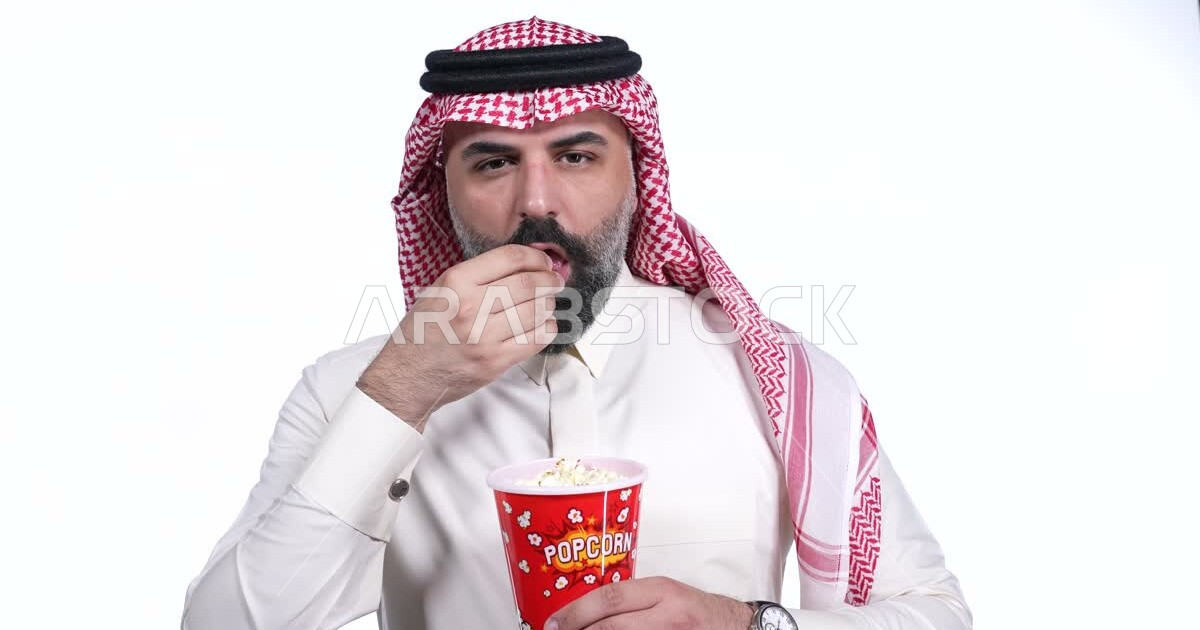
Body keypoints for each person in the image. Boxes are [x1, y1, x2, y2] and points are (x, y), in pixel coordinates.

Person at [180, 16, 972, 630]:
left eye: (577, 156)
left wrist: (749, 623)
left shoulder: (773, 377)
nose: (536, 203)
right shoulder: (348, 390)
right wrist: (402, 391)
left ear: (638, 173)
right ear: (442, 190)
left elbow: (936, 612)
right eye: (492, 162)